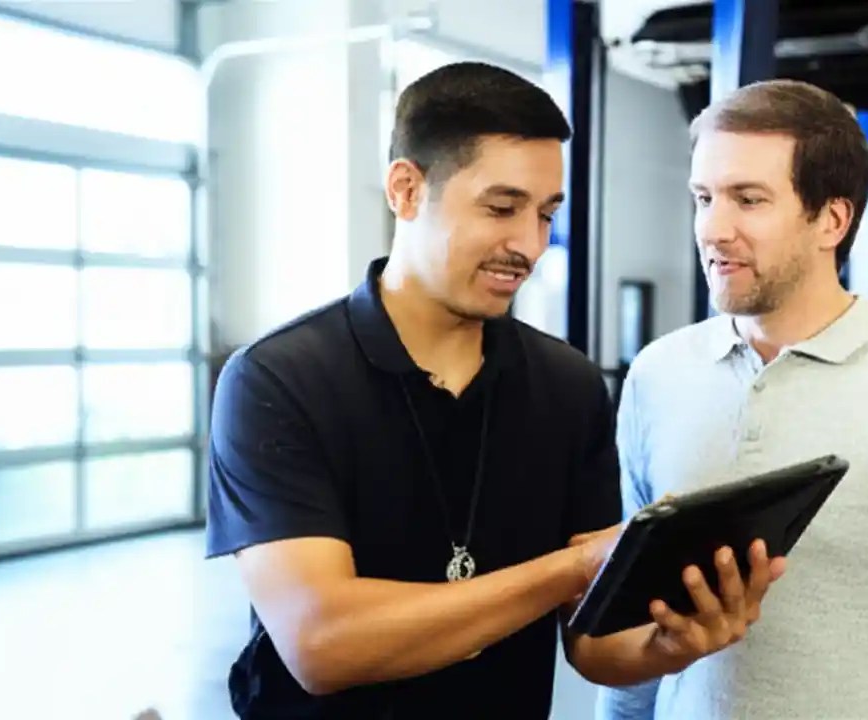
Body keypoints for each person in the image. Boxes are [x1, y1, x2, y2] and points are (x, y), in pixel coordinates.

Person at [205, 61, 785, 719]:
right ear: (406, 189)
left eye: (545, 214)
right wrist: (572, 568)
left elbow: (593, 644)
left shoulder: (568, 387)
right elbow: (323, 645)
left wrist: (676, 640)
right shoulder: (279, 380)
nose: (529, 244)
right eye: (502, 207)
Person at [596, 79, 868, 719]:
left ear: (832, 219)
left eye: (749, 199)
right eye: (704, 197)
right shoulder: (659, 375)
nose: (713, 229)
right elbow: (627, 625)